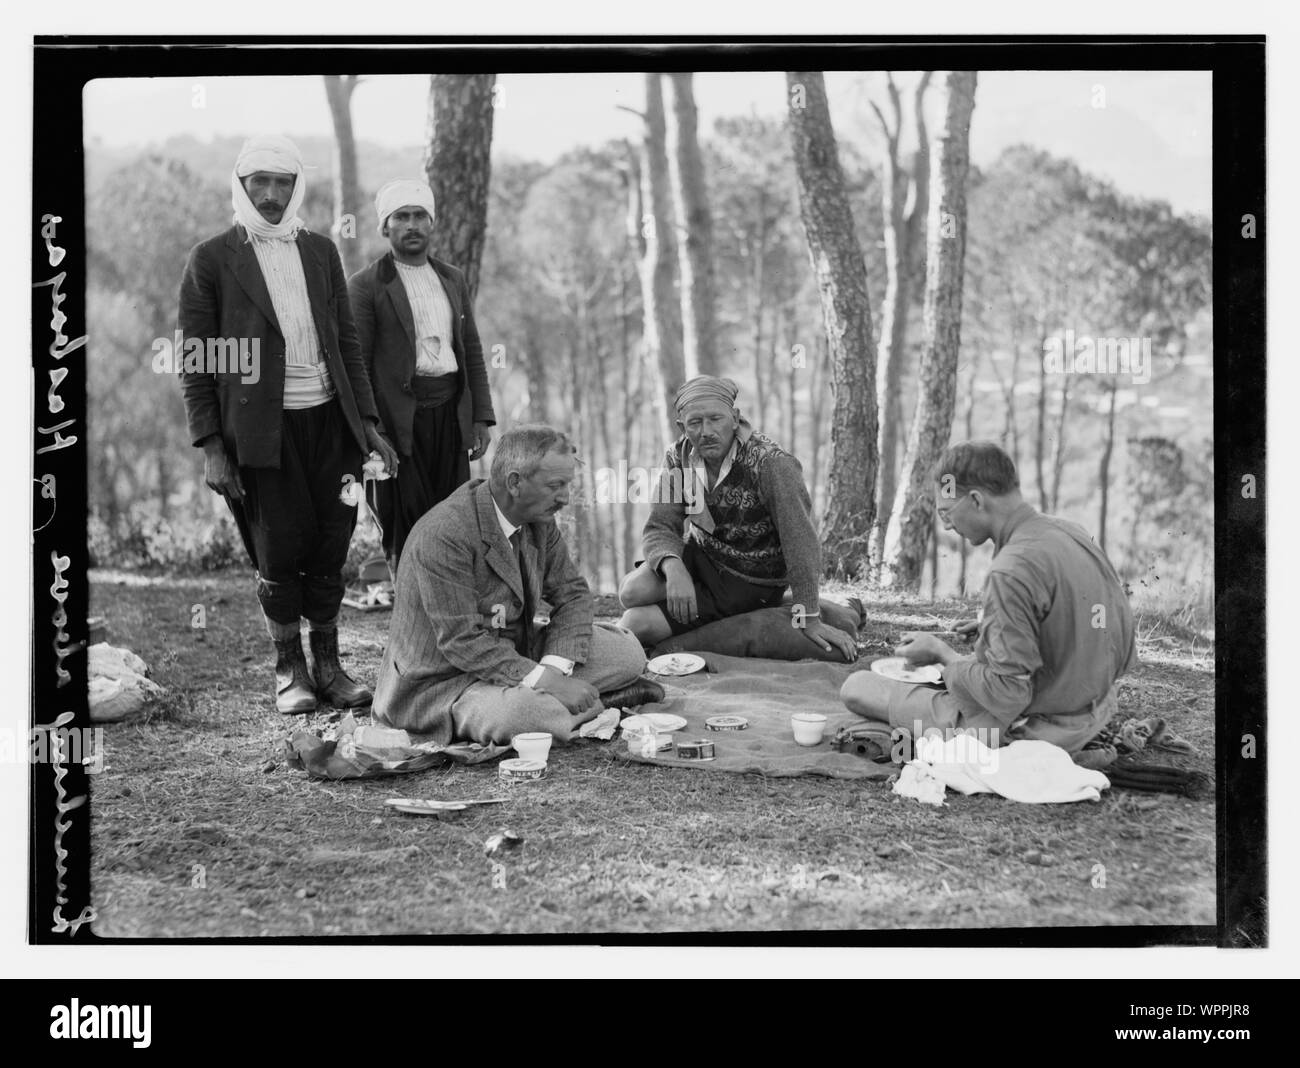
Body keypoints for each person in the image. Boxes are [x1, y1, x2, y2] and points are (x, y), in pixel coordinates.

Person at [177, 135, 399, 715]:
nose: (273, 196)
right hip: (259, 435)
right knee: (278, 550)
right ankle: (290, 669)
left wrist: (368, 423)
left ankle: (329, 666)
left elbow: (346, 343)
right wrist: (211, 448)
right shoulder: (213, 258)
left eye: (284, 183)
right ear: (242, 186)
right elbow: (196, 361)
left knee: (332, 543)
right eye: (261, 184)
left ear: (297, 187)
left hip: (332, 425)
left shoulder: (321, 251)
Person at [839, 440, 1137, 755]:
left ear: (977, 501)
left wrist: (943, 655)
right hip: (1097, 708)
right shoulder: (1070, 532)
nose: (947, 525)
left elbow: (1008, 695)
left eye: (947, 511)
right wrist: (991, 630)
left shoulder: (1012, 569)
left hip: (1037, 730)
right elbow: (1110, 634)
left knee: (858, 687)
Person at [372, 425, 654, 746]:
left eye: (567, 484)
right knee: (521, 716)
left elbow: (573, 595)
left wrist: (553, 670)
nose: (564, 497)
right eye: (555, 485)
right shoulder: (445, 535)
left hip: (518, 653)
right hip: (447, 681)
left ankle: (564, 709)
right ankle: (599, 705)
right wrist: (542, 681)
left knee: (627, 651)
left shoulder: (539, 520)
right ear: (515, 482)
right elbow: (462, 642)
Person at [616, 375, 858, 661]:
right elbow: (660, 525)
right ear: (682, 427)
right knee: (630, 592)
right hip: (702, 556)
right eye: (695, 423)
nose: (706, 431)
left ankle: (771, 607)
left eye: (716, 419)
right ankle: (702, 601)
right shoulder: (677, 457)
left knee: (634, 624)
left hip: (749, 579)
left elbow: (800, 541)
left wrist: (810, 616)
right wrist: (673, 566)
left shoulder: (772, 464)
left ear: (735, 418)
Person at [347, 178, 495, 571]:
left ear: (431, 224)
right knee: (404, 520)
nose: (411, 225)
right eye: (401, 217)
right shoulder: (367, 286)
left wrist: (480, 417)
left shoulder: (451, 279)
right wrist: (369, 428)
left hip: (449, 413)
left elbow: (471, 348)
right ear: (385, 227)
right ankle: (409, 611)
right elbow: (356, 362)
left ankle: (451, 610)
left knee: (454, 516)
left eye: (419, 216)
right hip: (397, 422)